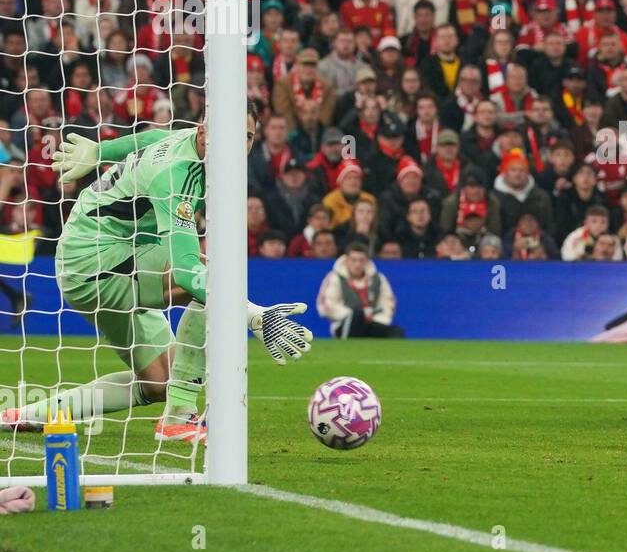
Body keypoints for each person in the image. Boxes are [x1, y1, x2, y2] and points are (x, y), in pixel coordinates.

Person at [2, 107, 313, 442]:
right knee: (209, 275)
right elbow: (185, 272)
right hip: (98, 260)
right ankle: (179, 416)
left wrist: (100, 151)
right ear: (203, 131)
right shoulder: (177, 174)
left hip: (103, 258)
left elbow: (152, 137)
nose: (240, 144)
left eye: (248, 136)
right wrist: (254, 316)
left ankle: (24, 416)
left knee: (157, 381)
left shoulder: (184, 141)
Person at [316, 241, 405, 338]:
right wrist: (352, 315)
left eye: (361, 260)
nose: (357, 264)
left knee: (397, 332)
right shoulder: (335, 278)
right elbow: (326, 305)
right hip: (344, 323)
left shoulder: (378, 278)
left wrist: (376, 318)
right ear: (346, 260)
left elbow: (388, 303)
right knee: (357, 317)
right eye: (353, 260)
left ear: (367, 261)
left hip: (373, 321)